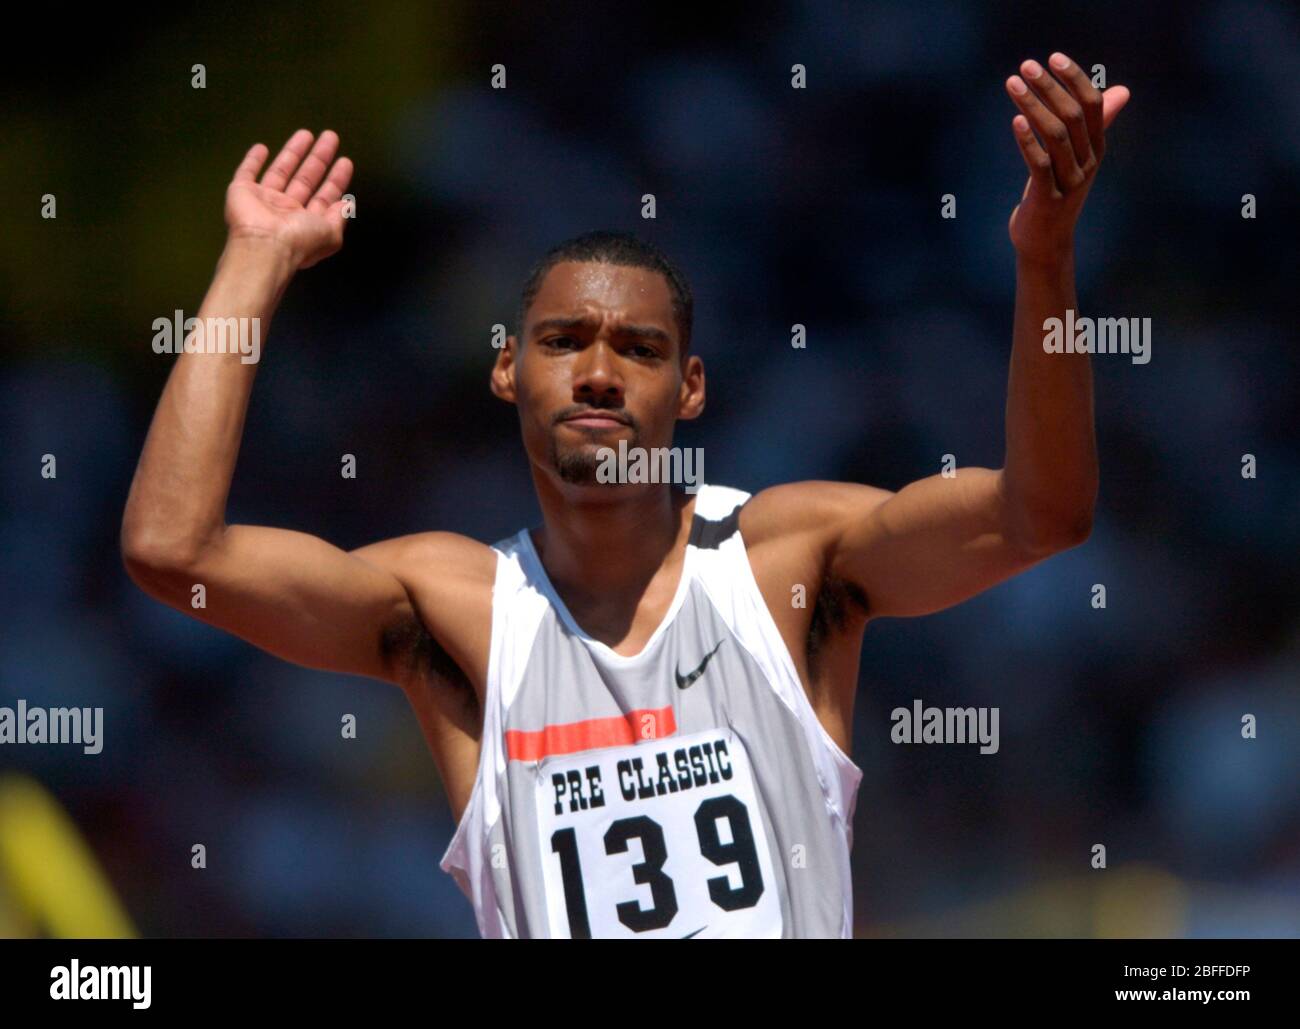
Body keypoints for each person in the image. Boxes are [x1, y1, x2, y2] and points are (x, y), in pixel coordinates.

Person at [121, 52, 1130, 938]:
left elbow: (1042, 514)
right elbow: (173, 553)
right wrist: (252, 263)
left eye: (639, 350)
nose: (598, 374)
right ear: (507, 370)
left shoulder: (782, 558)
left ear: (689, 388)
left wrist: (1044, 259)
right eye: (563, 342)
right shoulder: (459, 612)